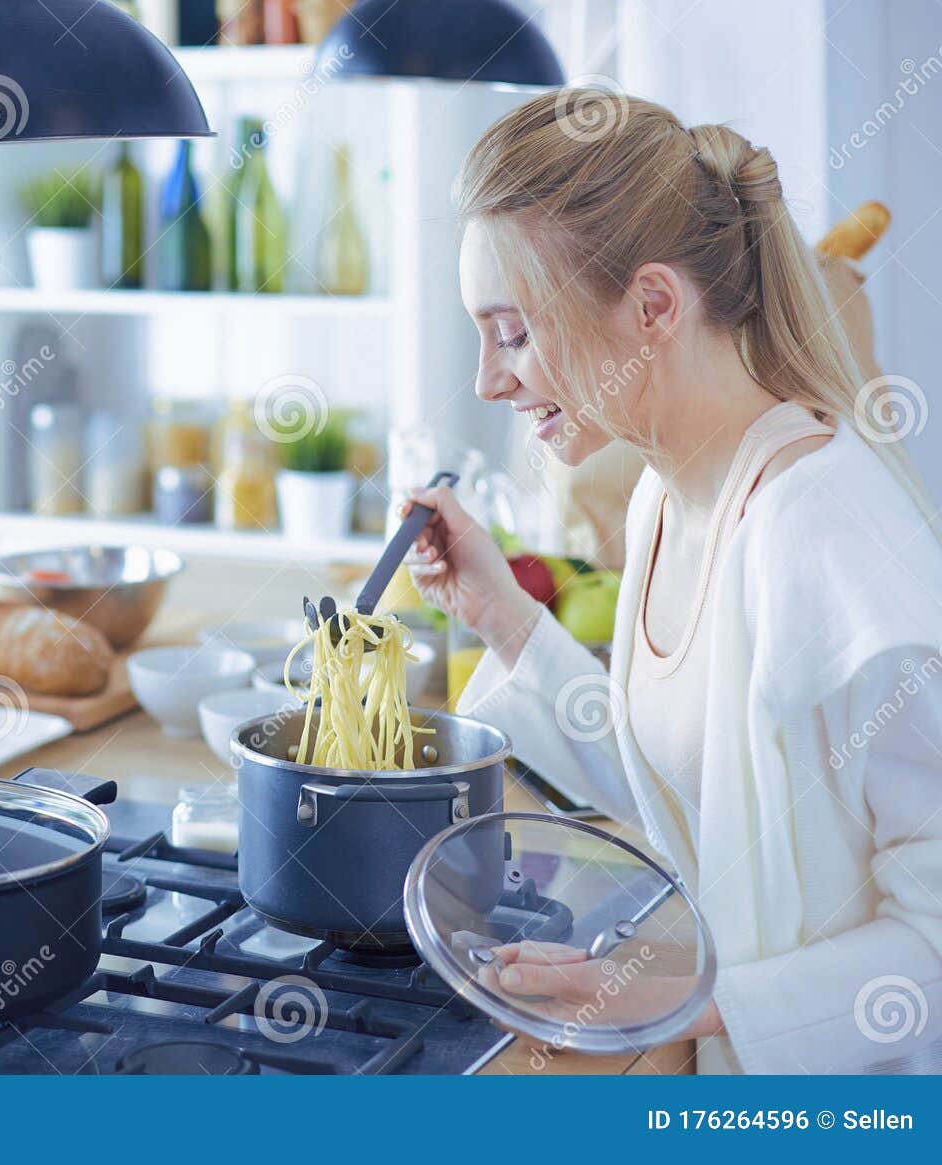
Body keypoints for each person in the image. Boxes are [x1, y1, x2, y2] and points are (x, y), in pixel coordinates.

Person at [403, 89, 942, 1073]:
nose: (487, 379)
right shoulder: (667, 496)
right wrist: (502, 616)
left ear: (653, 305)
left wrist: (685, 1002)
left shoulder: (827, 534)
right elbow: (701, 784)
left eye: (513, 330)